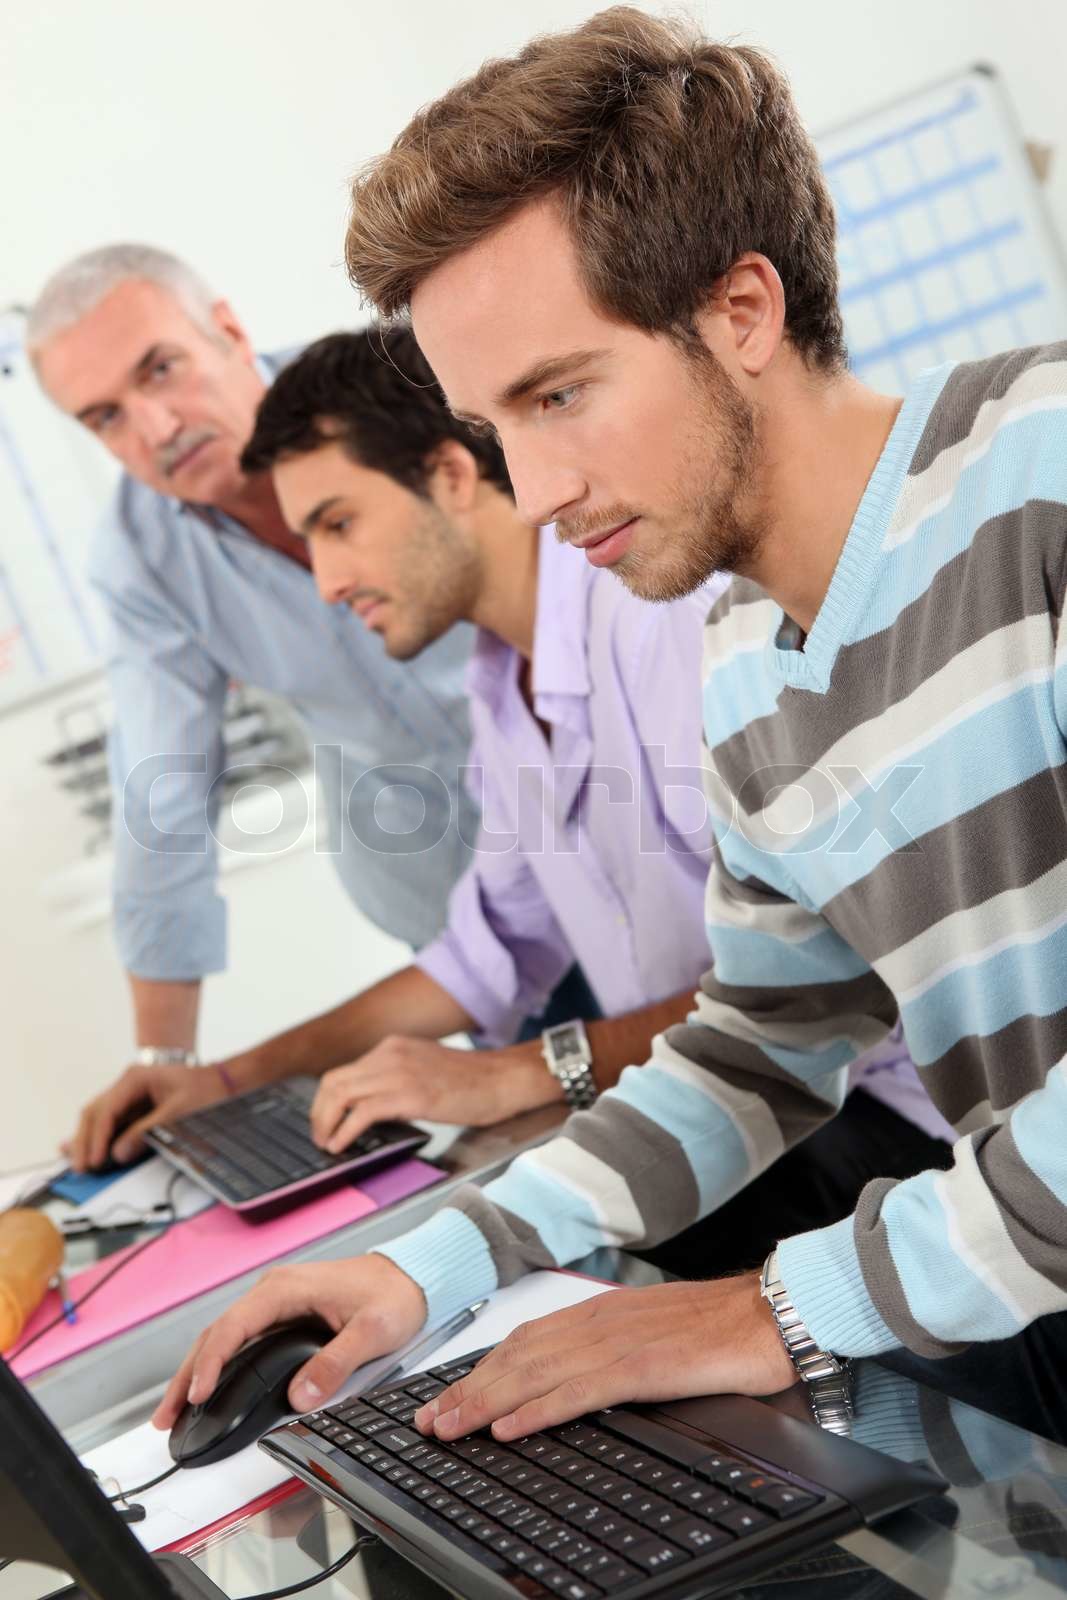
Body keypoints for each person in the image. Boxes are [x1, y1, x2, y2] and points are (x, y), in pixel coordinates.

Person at [156, 7, 1067, 1444]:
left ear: (739, 313)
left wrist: (767, 1307)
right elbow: (759, 1047)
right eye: (497, 425)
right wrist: (429, 1265)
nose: (529, 490)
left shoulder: (1042, 479)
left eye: (559, 394)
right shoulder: (745, 655)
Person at [73, 326, 947, 1178]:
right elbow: (485, 952)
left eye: (338, 525)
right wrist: (224, 1081)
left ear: (451, 476)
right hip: (745, 1107)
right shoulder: (501, 696)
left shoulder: (665, 627)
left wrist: (523, 1072)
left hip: (885, 1120)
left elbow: (835, 966)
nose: (327, 584)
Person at [28, 246, 477, 1168]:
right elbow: (162, 794)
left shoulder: (397, 389)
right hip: (440, 890)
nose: (153, 428)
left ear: (227, 330)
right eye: (105, 417)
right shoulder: (140, 558)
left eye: (161, 369)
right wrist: (166, 1059)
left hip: (613, 806)